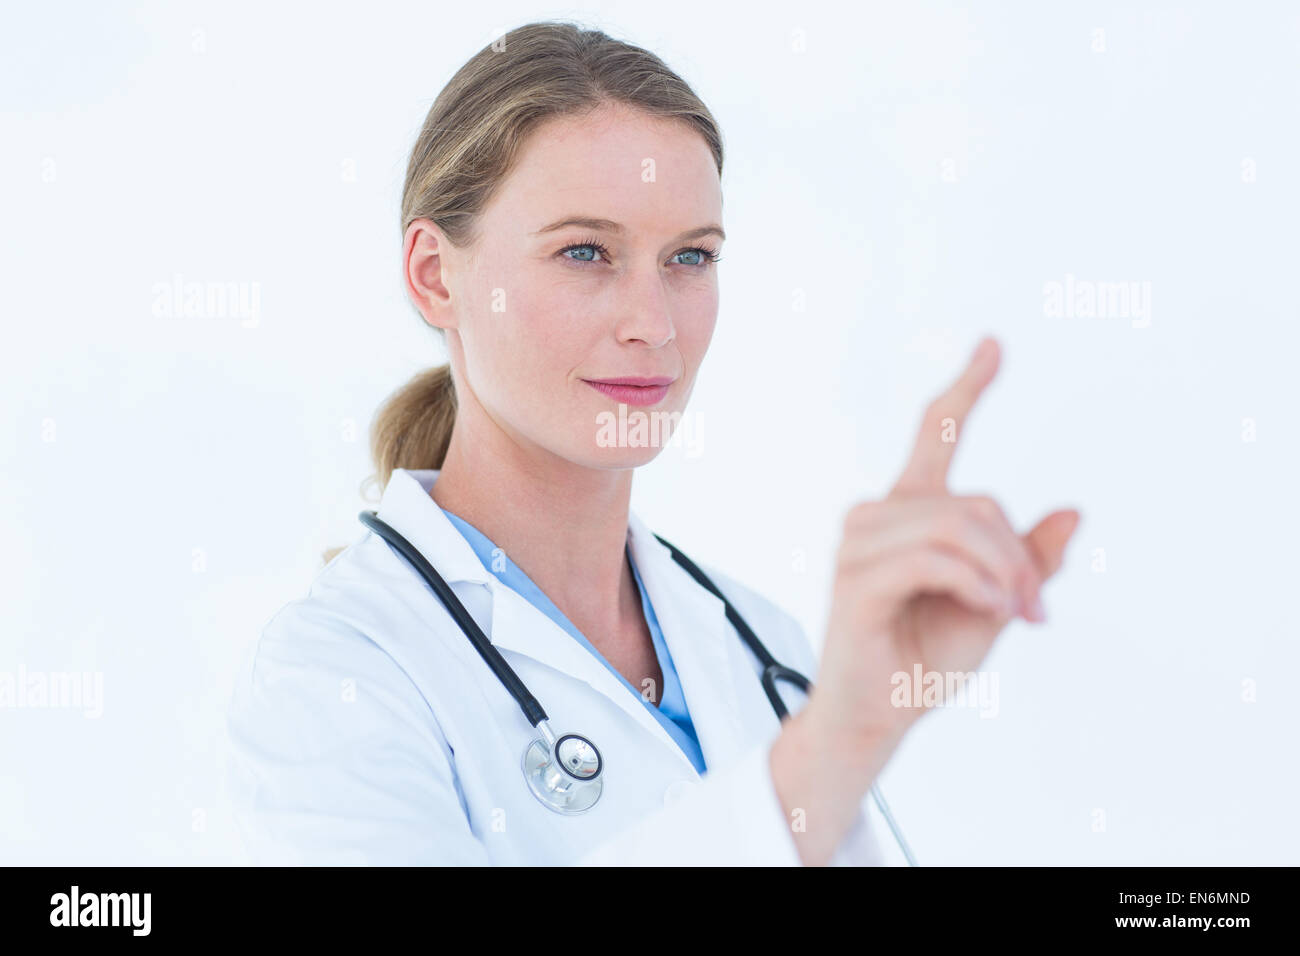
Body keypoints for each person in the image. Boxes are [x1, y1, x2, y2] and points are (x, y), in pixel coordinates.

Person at [226, 20, 1080, 866]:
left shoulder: (763, 645)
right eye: (586, 251)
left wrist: (854, 727)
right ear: (435, 274)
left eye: (690, 258)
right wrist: (823, 757)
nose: (654, 324)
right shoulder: (337, 675)